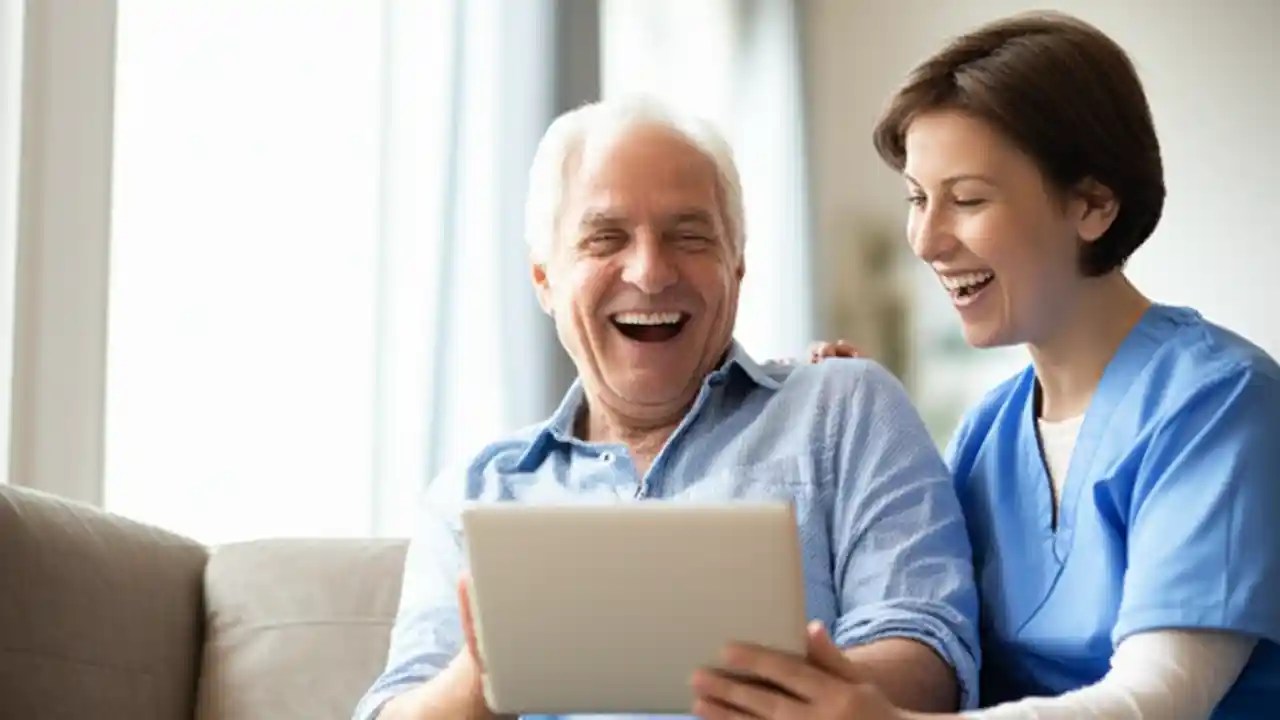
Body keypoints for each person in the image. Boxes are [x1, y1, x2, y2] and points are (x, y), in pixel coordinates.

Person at [694, 10, 1280, 720]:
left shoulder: (1219, 404)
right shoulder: (987, 435)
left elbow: (1157, 698)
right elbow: (916, 613)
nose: (927, 239)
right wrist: (829, 418)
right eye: (917, 199)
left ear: (1093, 203)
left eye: (968, 199)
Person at [352, 97, 981, 720]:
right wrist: (483, 676)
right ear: (544, 279)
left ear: (737, 266)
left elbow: (930, 660)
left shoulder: (842, 409)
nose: (651, 273)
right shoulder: (474, 494)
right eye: (606, 238)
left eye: (689, 237)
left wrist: (788, 693)